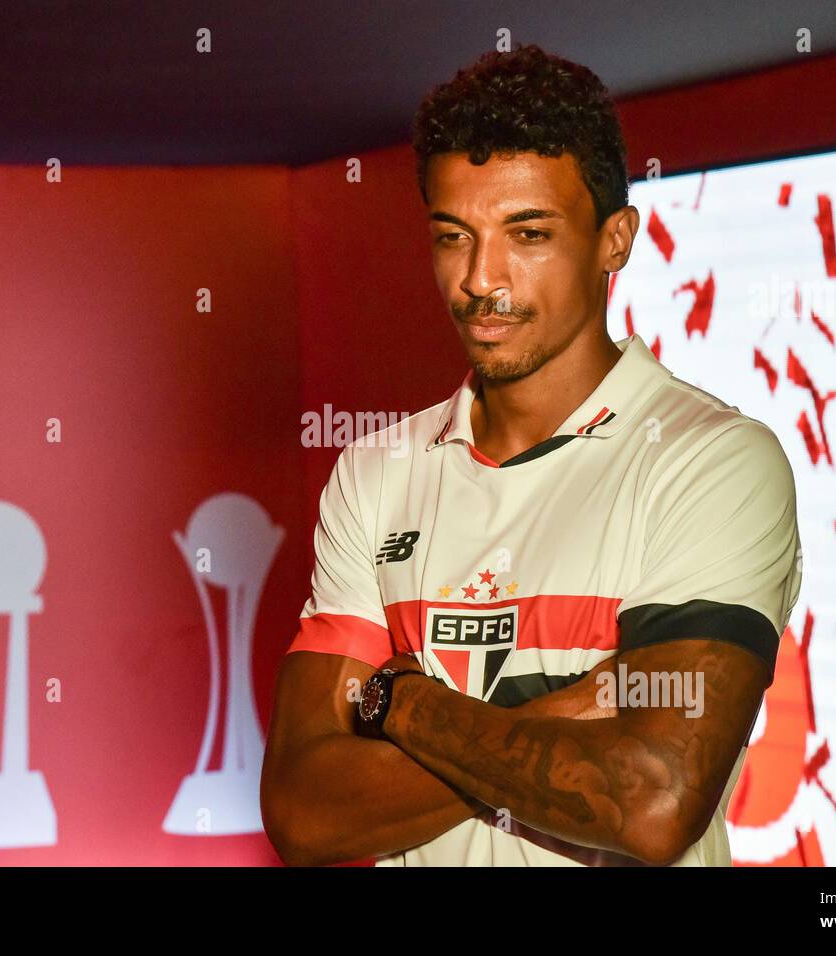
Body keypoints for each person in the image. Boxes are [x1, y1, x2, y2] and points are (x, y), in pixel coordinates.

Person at [261, 43, 802, 867]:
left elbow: (650, 801)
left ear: (615, 239)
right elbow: (303, 811)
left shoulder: (712, 463)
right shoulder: (376, 474)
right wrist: (567, 710)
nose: (484, 279)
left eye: (529, 233)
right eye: (454, 236)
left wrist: (398, 701)